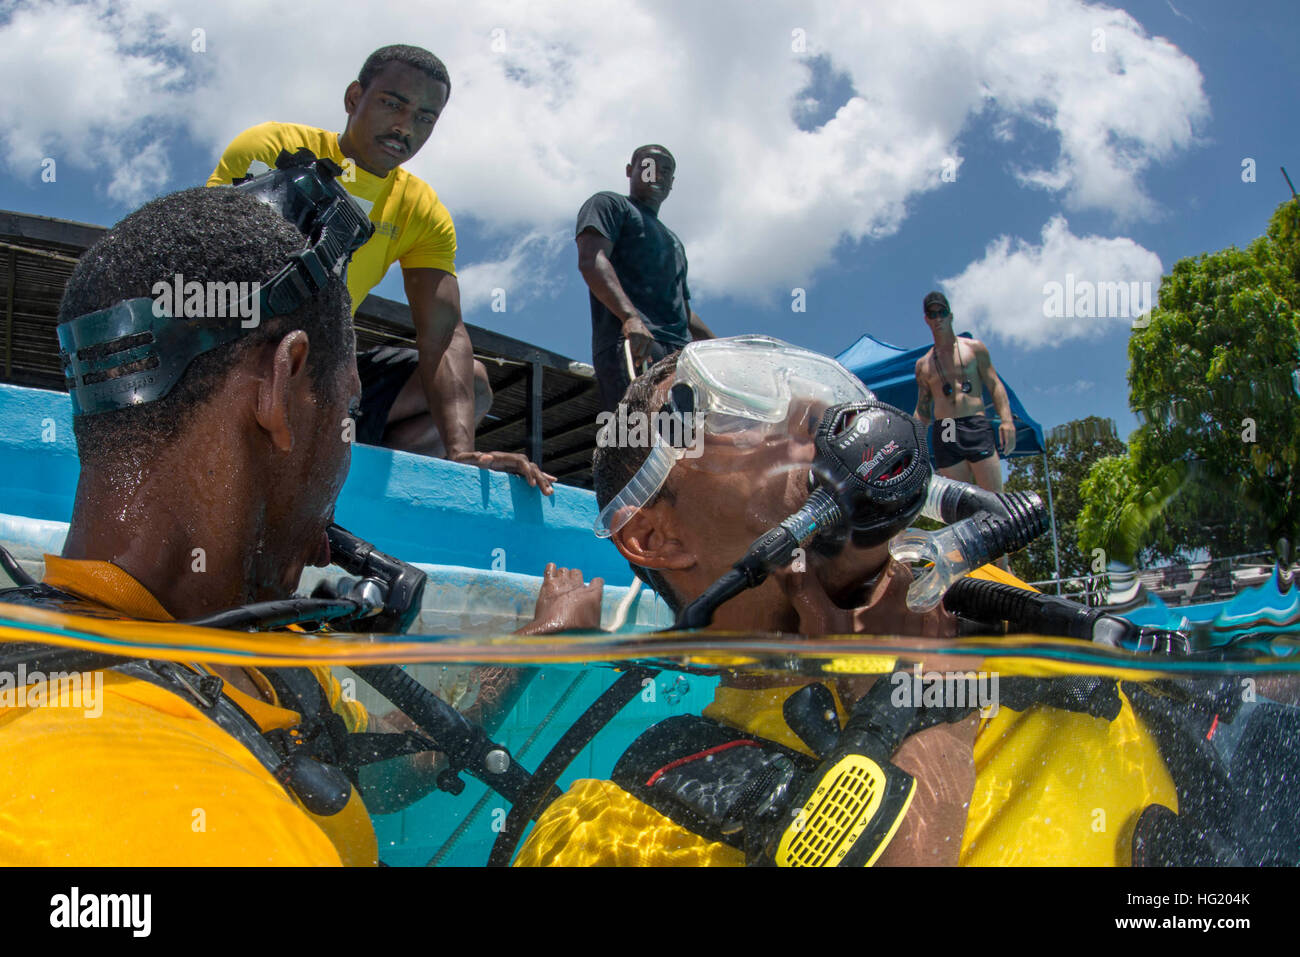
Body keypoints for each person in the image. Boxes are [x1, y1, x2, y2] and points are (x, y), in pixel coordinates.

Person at [0, 181, 598, 866]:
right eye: (346, 413)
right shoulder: (182, 825)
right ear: (282, 387)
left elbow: (382, 769)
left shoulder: (243, 651)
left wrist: (538, 641)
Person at [513, 340, 1178, 867]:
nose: (809, 414)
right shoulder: (610, 829)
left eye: (810, 403)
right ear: (656, 535)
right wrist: (922, 709)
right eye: (737, 415)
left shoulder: (989, 594)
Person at [208, 43, 555, 493]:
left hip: (326, 378)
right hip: (236, 359)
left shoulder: (422, 210)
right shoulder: (271, 148)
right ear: (354, 98)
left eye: (425, 118)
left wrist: (461, 454)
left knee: (474, 383)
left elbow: (443, 332)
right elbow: (206, 264)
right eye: (394, 104)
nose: (405, 127)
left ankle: (355, 488)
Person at [576, 144, 715, 413]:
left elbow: (683, 311)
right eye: (650, 166)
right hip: (635, 344)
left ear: (672, 183)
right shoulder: (610, 205)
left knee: (684, 442)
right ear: (630, 171)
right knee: (635, 437)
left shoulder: (674, 241)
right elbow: (592, 261)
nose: (657, 175)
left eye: (666, 171)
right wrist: (630, 318)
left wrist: (722, 348)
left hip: (681, 355)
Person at [913, 291, 1016, 494]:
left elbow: (994, 385)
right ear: (926, 320)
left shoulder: (973, 349)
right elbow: (923, 409)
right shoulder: (923, 364)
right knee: (959, 505)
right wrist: (911, 443)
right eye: (932, 315)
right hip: (947, 427)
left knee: (994, 500)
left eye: (941, 313)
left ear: (950, 315)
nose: (937, 319)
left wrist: (1007, 420)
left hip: (973, 423)